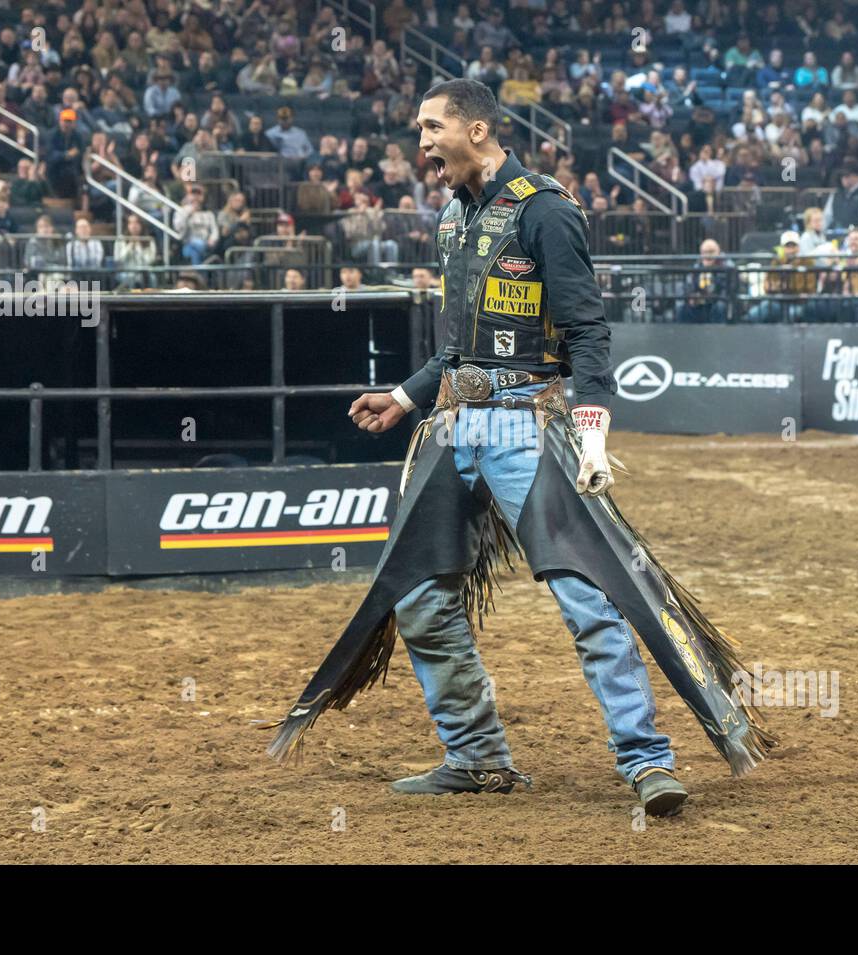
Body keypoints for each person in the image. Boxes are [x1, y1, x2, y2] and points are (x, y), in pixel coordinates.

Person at [267, 79, 774, 816]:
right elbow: (454, 349)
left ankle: (648, 762)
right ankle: (476, 757)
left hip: (524, 425)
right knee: (416, 593)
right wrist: (406, 397)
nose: (421, 143)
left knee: (587, 596)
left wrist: (594, 436)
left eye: (431, 127)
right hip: (452, 424)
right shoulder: (452, 218)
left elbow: (589, 333)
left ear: (477, 131)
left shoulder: (545, 210)